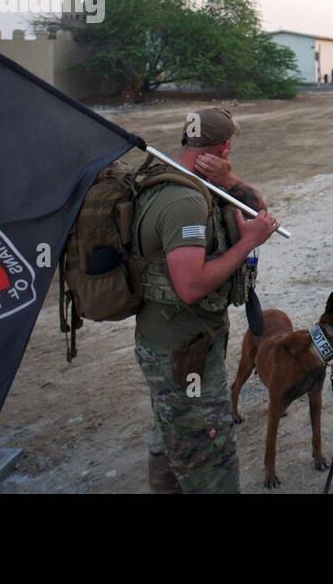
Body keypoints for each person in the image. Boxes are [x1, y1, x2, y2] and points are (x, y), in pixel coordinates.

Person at [135, 108, 280, 493]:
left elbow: (257, 208)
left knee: (172, 440)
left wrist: (230, 180)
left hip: (176, 341)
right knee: (208, 454)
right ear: (226, 146)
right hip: (184, 352)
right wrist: (249, 242)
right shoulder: (184, 200)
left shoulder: (181, 180)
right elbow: (191, 285)